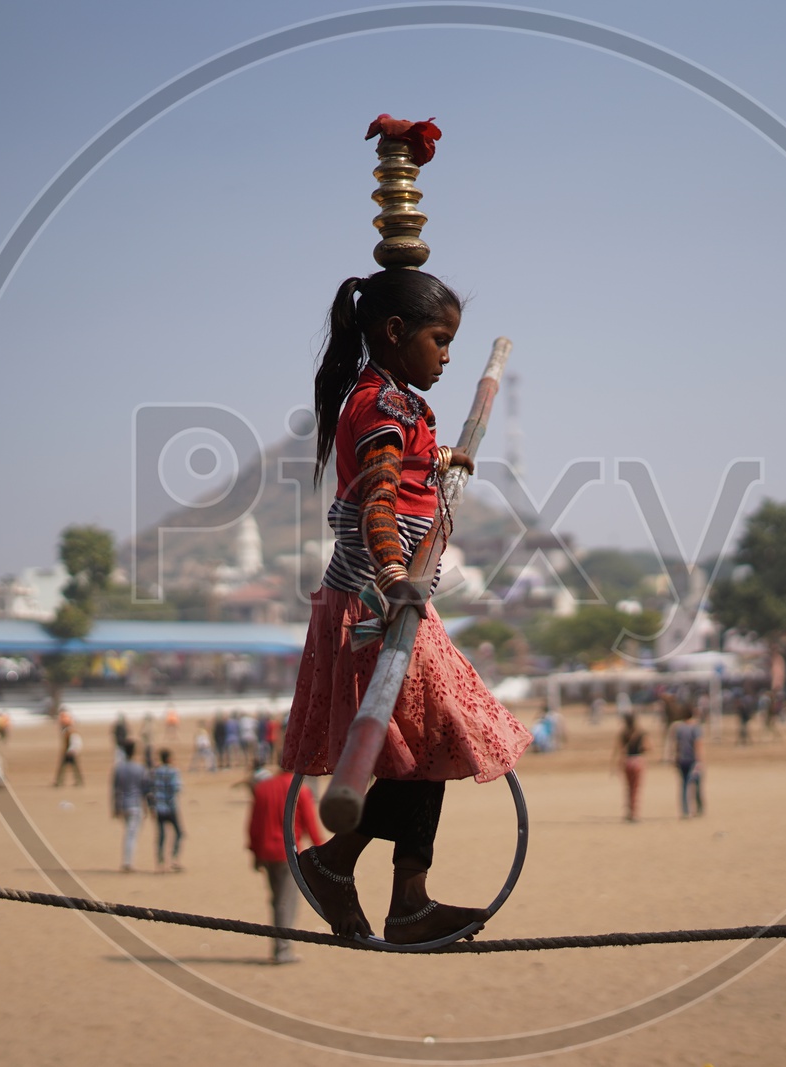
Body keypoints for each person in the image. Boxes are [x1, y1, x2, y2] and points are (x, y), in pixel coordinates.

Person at [279, 128, 531, 947]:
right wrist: (395, 577)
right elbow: (380, 497)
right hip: (376, 602)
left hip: (387, 600)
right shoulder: (382, 407)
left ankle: (400, 893)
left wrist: (446, 454)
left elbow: (408, 471)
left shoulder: (395, 404)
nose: (449, 357)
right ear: (393, 333)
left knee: (430, 745)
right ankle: (343, 863)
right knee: (445, 735)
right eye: (439, 340)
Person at [247, 764, 325, 964]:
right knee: (286, 901)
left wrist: (255, 854)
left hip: (266, 852)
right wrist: (323, 852)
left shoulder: (263, 788)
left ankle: (280, 944)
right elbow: (310, 824)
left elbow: (253, 825)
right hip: (286, 854)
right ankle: (282, 950)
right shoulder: (299, 790)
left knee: (277, 899)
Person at [111, 740, 147, 872]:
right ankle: (127, 862)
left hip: (123, 804)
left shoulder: (119, 768)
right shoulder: (139, 768)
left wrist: (114, 808)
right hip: (135, 805)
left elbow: (115, 790)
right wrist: (147, 806)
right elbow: (144, 789)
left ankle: (127, 861)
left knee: (128, 832)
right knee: (131, 834)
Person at [147, 748, 184, 872]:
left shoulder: (154, 772)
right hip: (171, 806)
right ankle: (174, 858)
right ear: (169, 759)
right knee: (179, 833)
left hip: (159, 807)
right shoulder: (173, 771)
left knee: (161, 836)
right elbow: (177, 788)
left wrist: (151, 806)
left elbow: (150, 791)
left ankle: (160, 863)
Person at [612, 713, 648, 822]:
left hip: (627, 762)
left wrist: (616, 765)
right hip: (637, 761)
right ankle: (634, 813)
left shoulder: (623, 734)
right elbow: (648, 747)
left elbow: (619, 751)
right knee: (636, 789)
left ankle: (629, 812)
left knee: (628, 788)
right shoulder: (641, 733)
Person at [671, 716, 703, 818]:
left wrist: (676, 758)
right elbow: (698, 744)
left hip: (682, 760)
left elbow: (677, 745)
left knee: (684, 785)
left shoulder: (679, 728)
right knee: (696, 783)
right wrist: (699, 760)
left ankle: (685, 810)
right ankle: (698, 808)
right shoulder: (696, 728)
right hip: (693, 760)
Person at [53, 722, 84, 787]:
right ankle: (78, 781)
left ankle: (60, 782)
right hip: (69, 752)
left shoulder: (71, 733)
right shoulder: (70, 732)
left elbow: (75, 742)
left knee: (67, 768)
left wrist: (71, 751)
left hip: (70, 753)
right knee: (72, 768)